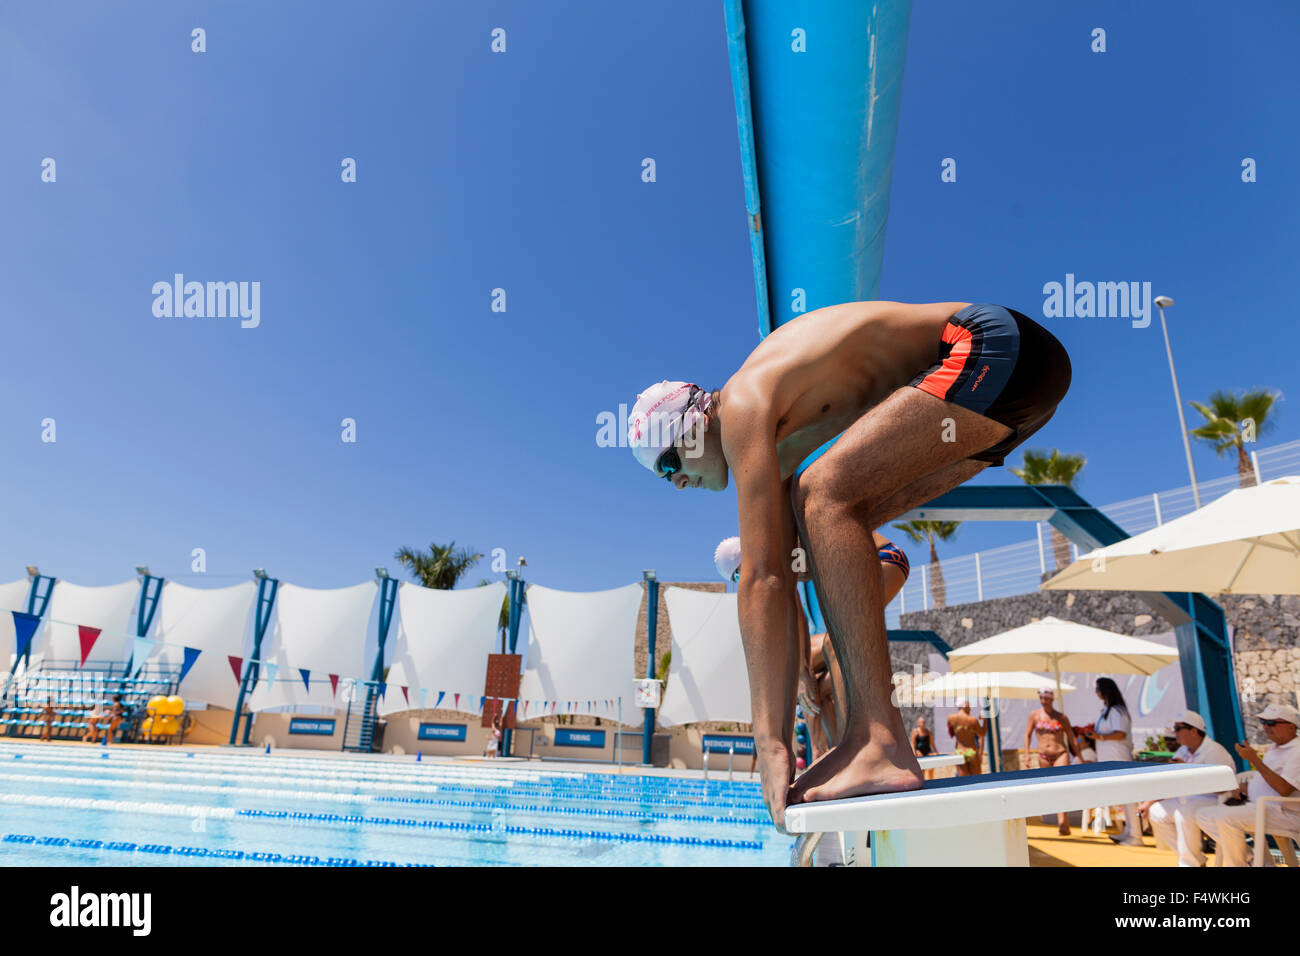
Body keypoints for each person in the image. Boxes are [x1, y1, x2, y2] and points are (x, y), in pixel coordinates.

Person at [628, 301, 1072, 827]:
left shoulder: (743, 403)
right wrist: (795, 680)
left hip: (990, 349)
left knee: (825, 495)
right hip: (1018, 398)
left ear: (695, 421)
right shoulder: (779, 444)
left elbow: (760, 578)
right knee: (820, 519)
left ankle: (877, 738)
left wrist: (769, 741)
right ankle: (865, 739)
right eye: (664, 478)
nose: (677, 482)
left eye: (672, 462)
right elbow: (782, 576)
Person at [714, 531, 910, 762]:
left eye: (739, 576)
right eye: (736, 581)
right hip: (863, 568)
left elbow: (795, 613)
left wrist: (801, 671)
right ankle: (823, 750)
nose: (743, 584)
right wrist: (804, 673)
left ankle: (855, 747)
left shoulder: (772, 554)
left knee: (835, 644)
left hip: (884, 559)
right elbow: (796, 621)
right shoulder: (770, 564)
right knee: (814, 684)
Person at [1195, 703, 1300, 867]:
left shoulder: (1297, 751)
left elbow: (1285, 789)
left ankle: (1243, 864)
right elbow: (1268, 780)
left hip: (1286, 813)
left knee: (1226, 818)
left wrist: (1254, 760)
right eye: (1264, 722)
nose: (1266, 727)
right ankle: (1256, 862)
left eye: (1272, 723)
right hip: (1261, 807)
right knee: (1203, 815)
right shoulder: (1275, 748)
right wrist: (1246, 788)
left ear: (1291, 727)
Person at [1140, 710, 1236, 866]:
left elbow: (1223, 787)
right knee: (1157, 812)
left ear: (1194, 731)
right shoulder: (1183, 750)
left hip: (1214, 800)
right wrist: (1149, 802)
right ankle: (1194, 860)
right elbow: (1169, 782)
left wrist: (1189, 771)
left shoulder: (1215, 751)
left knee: (1184, 812)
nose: (1174, 732)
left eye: (1178, 728)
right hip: (1188, 799)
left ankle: (1189, 864)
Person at [1087, 677, 1143, 846]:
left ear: (1105, 691)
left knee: (1129, 797)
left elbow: (1120, 734)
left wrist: (1099, 736)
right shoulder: (1106, 710)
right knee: (1124, 797)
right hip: (1110, 759)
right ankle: (1129, 832)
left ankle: (1136, 836)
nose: (1096, 692)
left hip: (1119, 757)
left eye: (1098, 689)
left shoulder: (1117, 711)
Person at [1025, 687, 1079, 835]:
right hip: (1043, 755)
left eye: (1047, 698)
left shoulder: (1061, 717)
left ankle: (1063, 822)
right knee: (1052, 788)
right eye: (1042, 698)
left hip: (1060, 753)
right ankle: (1061, 821)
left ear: (1052, 699)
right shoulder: (1034, 715)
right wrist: (1027, 754)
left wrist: (1079, 756)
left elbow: (1071, 737)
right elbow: (1028, 735)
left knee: (1061, 786)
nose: (1044, 701)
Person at [946, 699, 984, 776]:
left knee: (963, 783)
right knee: (977, 781)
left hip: (960, 751)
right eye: (969, 706)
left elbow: (951, 734)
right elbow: (982, 734)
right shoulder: (972, 720)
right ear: (965, 706)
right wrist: (986, 720)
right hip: (972, 751)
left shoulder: (950, 718)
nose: (970, 709)